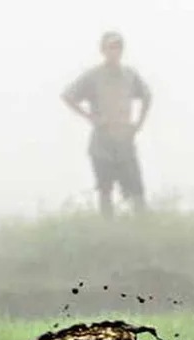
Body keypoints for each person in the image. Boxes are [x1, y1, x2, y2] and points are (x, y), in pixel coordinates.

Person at [61, 31, 153, 218]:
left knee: (136, 191)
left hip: (125, 141)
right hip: (102, 141)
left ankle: (143, 228)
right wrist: (90, 117)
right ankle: (107, 229)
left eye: (118, 47)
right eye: (111, 47)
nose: (115, 51)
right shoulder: (93, 76)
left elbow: (147, 95)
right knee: (105, 191)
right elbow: (68, 96)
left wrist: (138, 124)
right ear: (103, 50)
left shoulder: (129, 75)